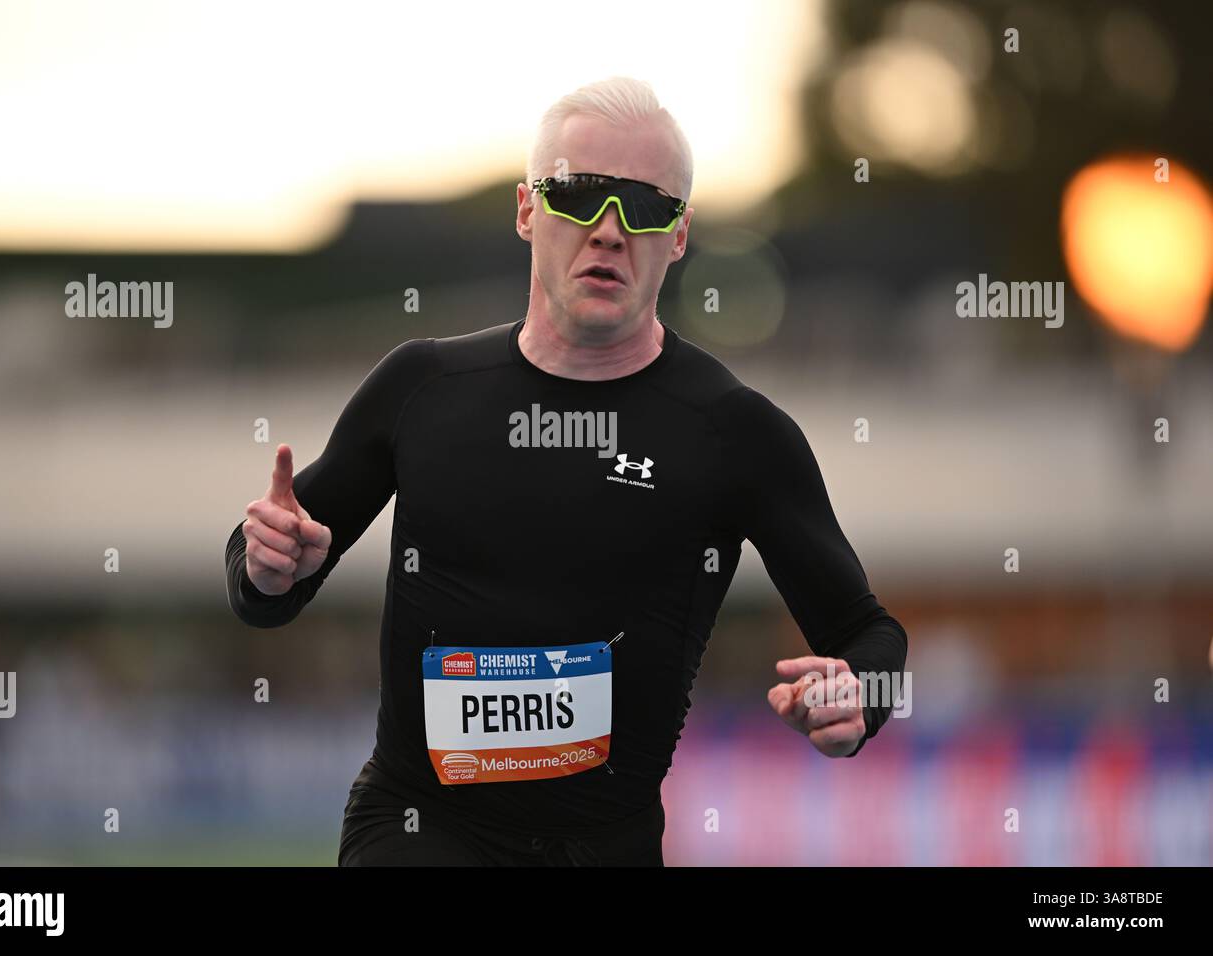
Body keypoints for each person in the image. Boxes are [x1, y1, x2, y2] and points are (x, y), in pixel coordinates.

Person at [224, 76, 907, 866]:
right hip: (418, 829)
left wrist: (859, 696)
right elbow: (261, 582)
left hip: (605, 846)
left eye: (645, 207)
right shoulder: (421, 390)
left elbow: (869, 634)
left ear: (679, 237)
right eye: (580, 195)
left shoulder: (735, 432)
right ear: (527, 210)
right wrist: (268, 571)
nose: (610, 231)